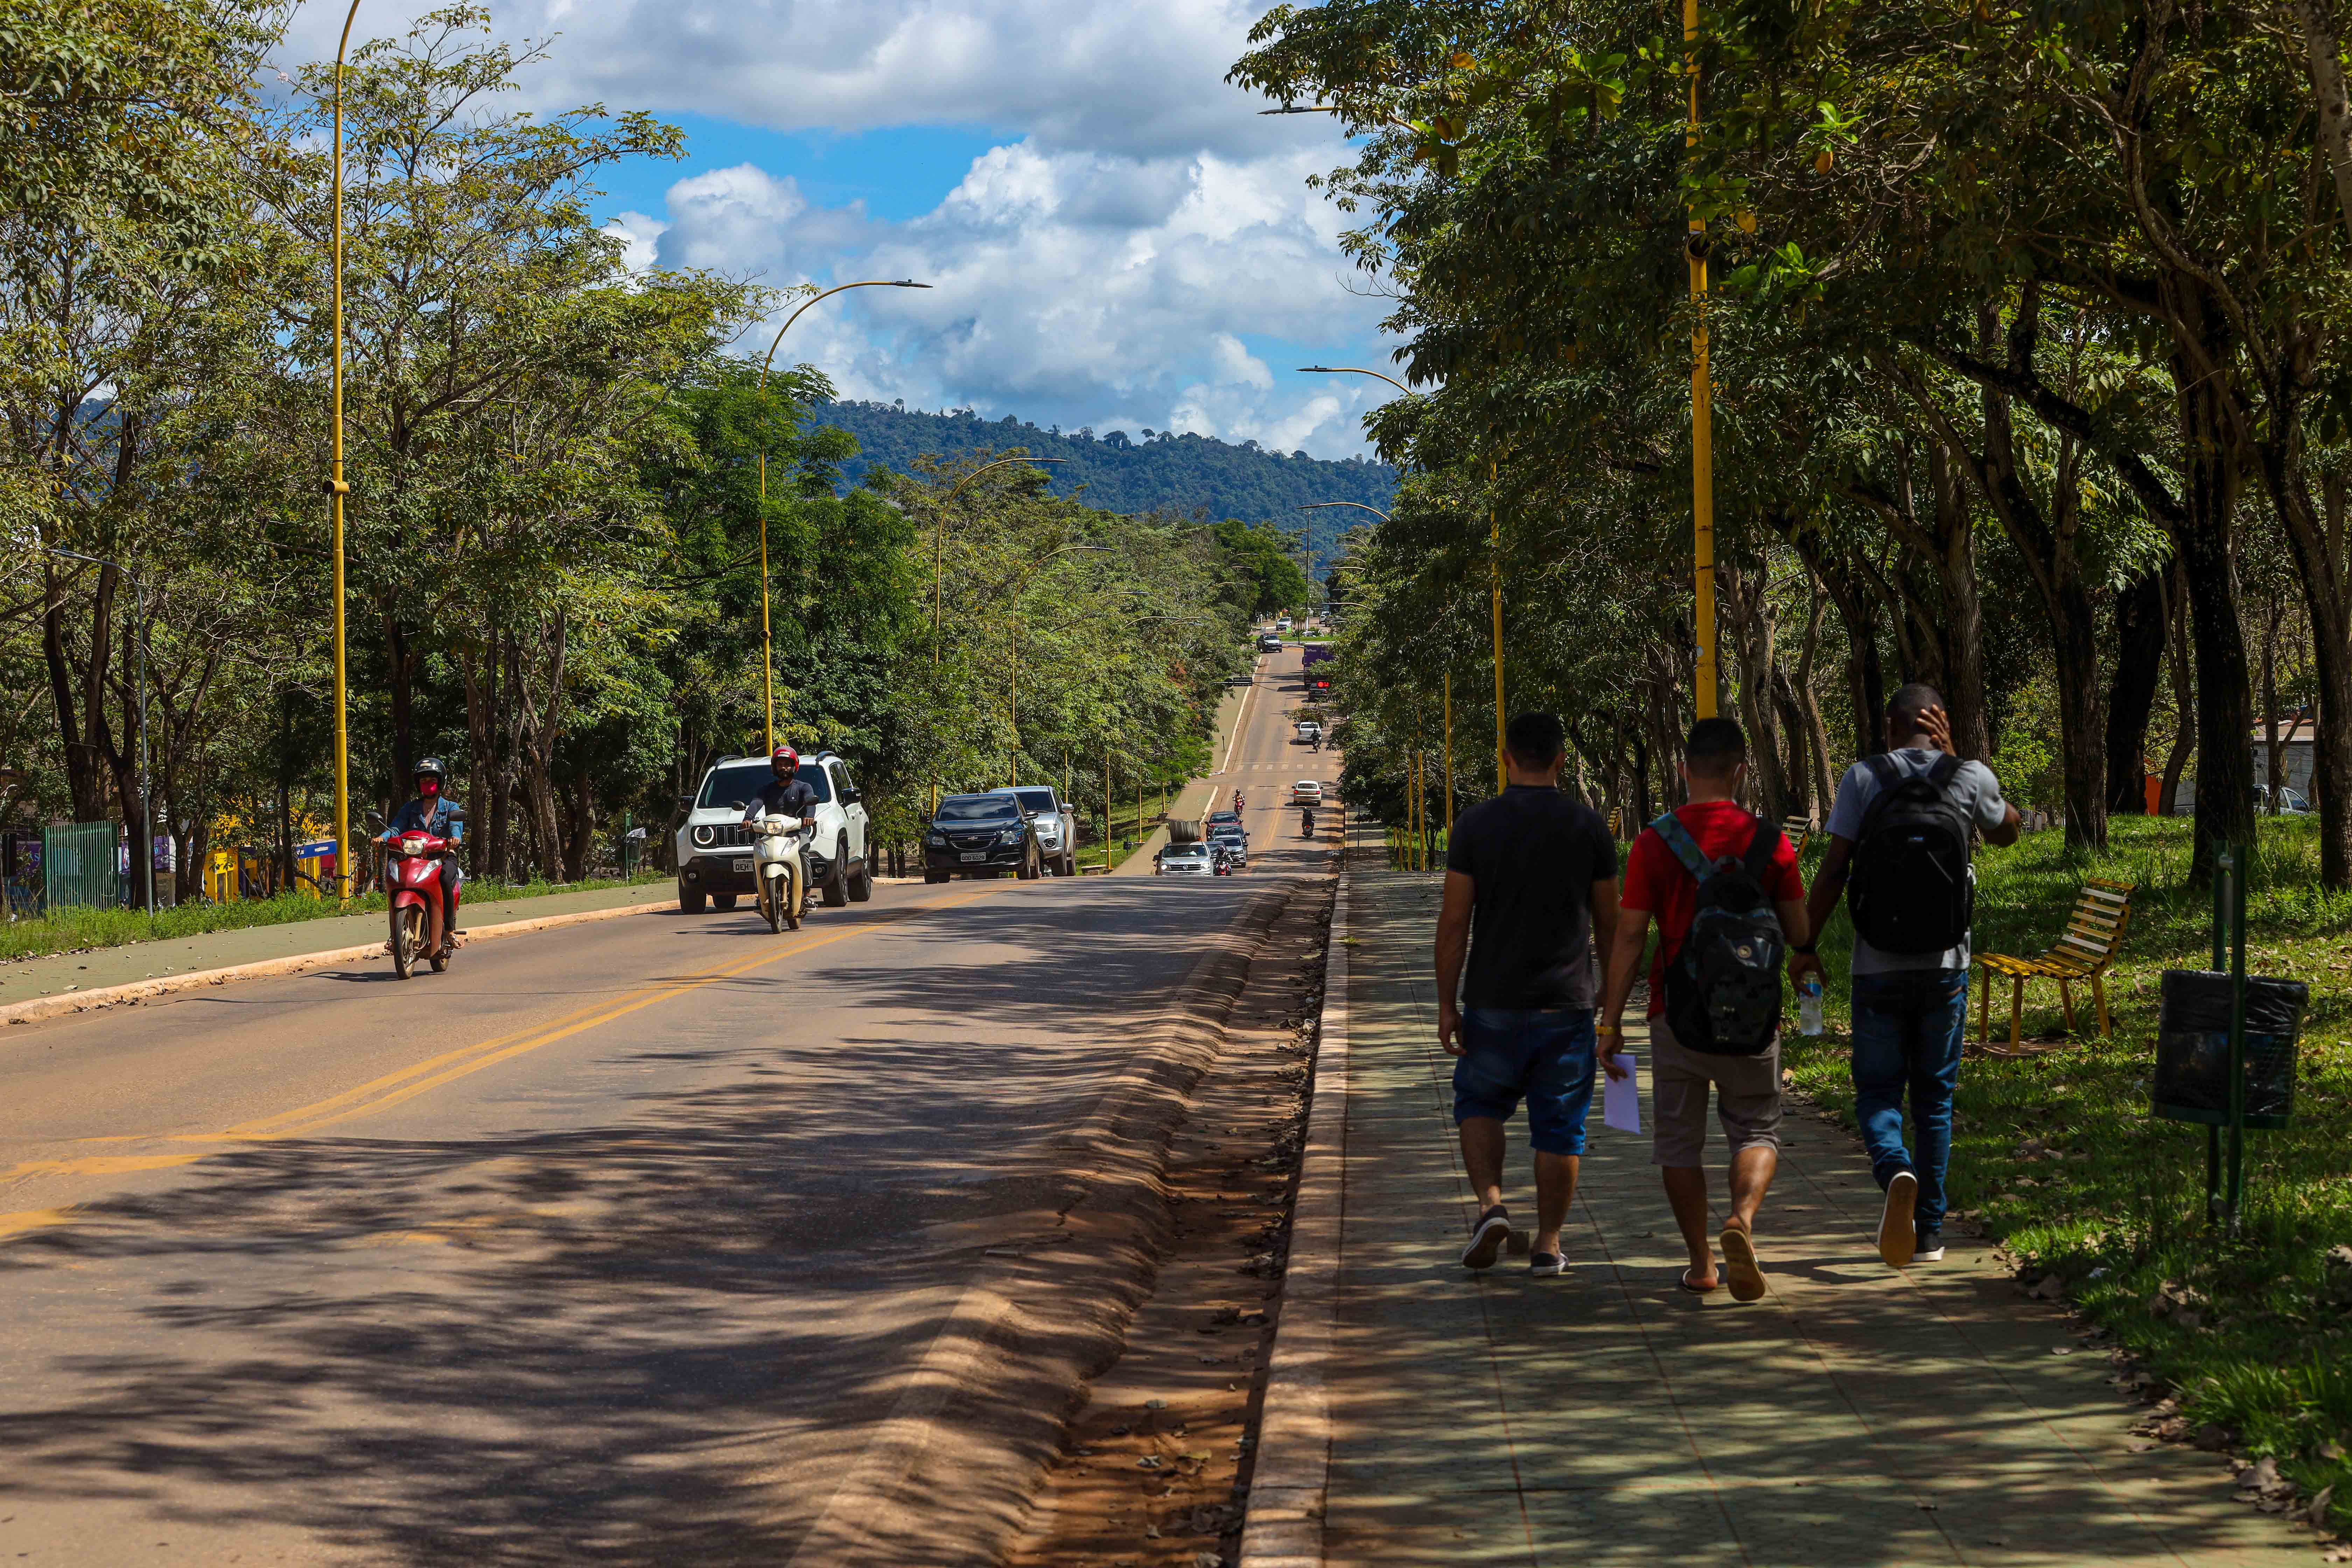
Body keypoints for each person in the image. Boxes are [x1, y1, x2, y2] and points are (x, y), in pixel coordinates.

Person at [1803, 684, 2021, 1268]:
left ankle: (1894, 1167)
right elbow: (2008, 831)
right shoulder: (1968, 775)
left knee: (1877, 1092)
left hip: (1876, 965)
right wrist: (1970, 760)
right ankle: (1929, 1235)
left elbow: (1833, 871)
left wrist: (1802, 944)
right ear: (1941, 723)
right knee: (1935, 1101)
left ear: (1888, 727)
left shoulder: (1863, 778)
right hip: (1946, 968)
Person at [1599, 718, 1811, 1301]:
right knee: (1757, 1128)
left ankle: (1702, 1264)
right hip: (1753, 1020)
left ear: (1683, 768)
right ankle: (1741, 1219)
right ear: (1741, 772)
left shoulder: (1653, 841)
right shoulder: (1773, 842)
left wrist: (1610, 1021)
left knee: (1677, 1142)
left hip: (1678, 1017)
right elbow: (1798, 932)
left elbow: (1630, 936)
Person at [1435, 712, 1620, 1276]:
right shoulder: (1590, 828)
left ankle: (1492, 1208)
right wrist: (1612, 1014)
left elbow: (1454, 921)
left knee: (1479, 1104)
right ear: (1563, 760)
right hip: (1568, 1007)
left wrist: (1447, 1003)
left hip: (1492, 1001)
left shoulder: (1474, 826)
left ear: (1506, 757)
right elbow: (1613, 925)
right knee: (1561, 1127)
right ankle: (1547, 1244)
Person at [382, 757, 467, 945]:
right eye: (424, 781)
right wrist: (383, 837)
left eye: (432, 781)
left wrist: (454, 839)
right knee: (395, 878)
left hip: (443, 856)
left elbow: (456, 827)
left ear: (441, 783)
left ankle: (449, 929)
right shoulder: (410, 808)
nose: (428, 785)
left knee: (446, 878)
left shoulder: (451, 807)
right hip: (415, 858)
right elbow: (396, 828)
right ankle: (395, 931)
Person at [744, 745, 820, 918]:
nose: (784, 767)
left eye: (787, 764)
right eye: (780, 764)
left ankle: (807, 894)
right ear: (774, 767)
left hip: (797, 832)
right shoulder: (766, 789)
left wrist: (809, 818)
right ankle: (761, 894)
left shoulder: (804, 787)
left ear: (795, 766)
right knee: (758, 854)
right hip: (773, 834)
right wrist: (748, 818)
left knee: (803, 852)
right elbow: (757, 802)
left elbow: (810, 802)